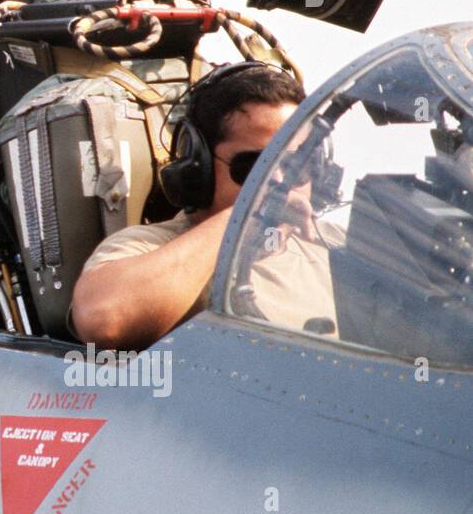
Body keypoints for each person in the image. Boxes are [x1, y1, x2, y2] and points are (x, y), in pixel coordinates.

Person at [70, 62, 321, 350]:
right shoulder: (149, 247)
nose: (278, 182)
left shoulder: (340, 253)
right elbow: (105, 321)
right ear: (196, 167)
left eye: (294, 165)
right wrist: (247, 215)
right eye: (254, 167)